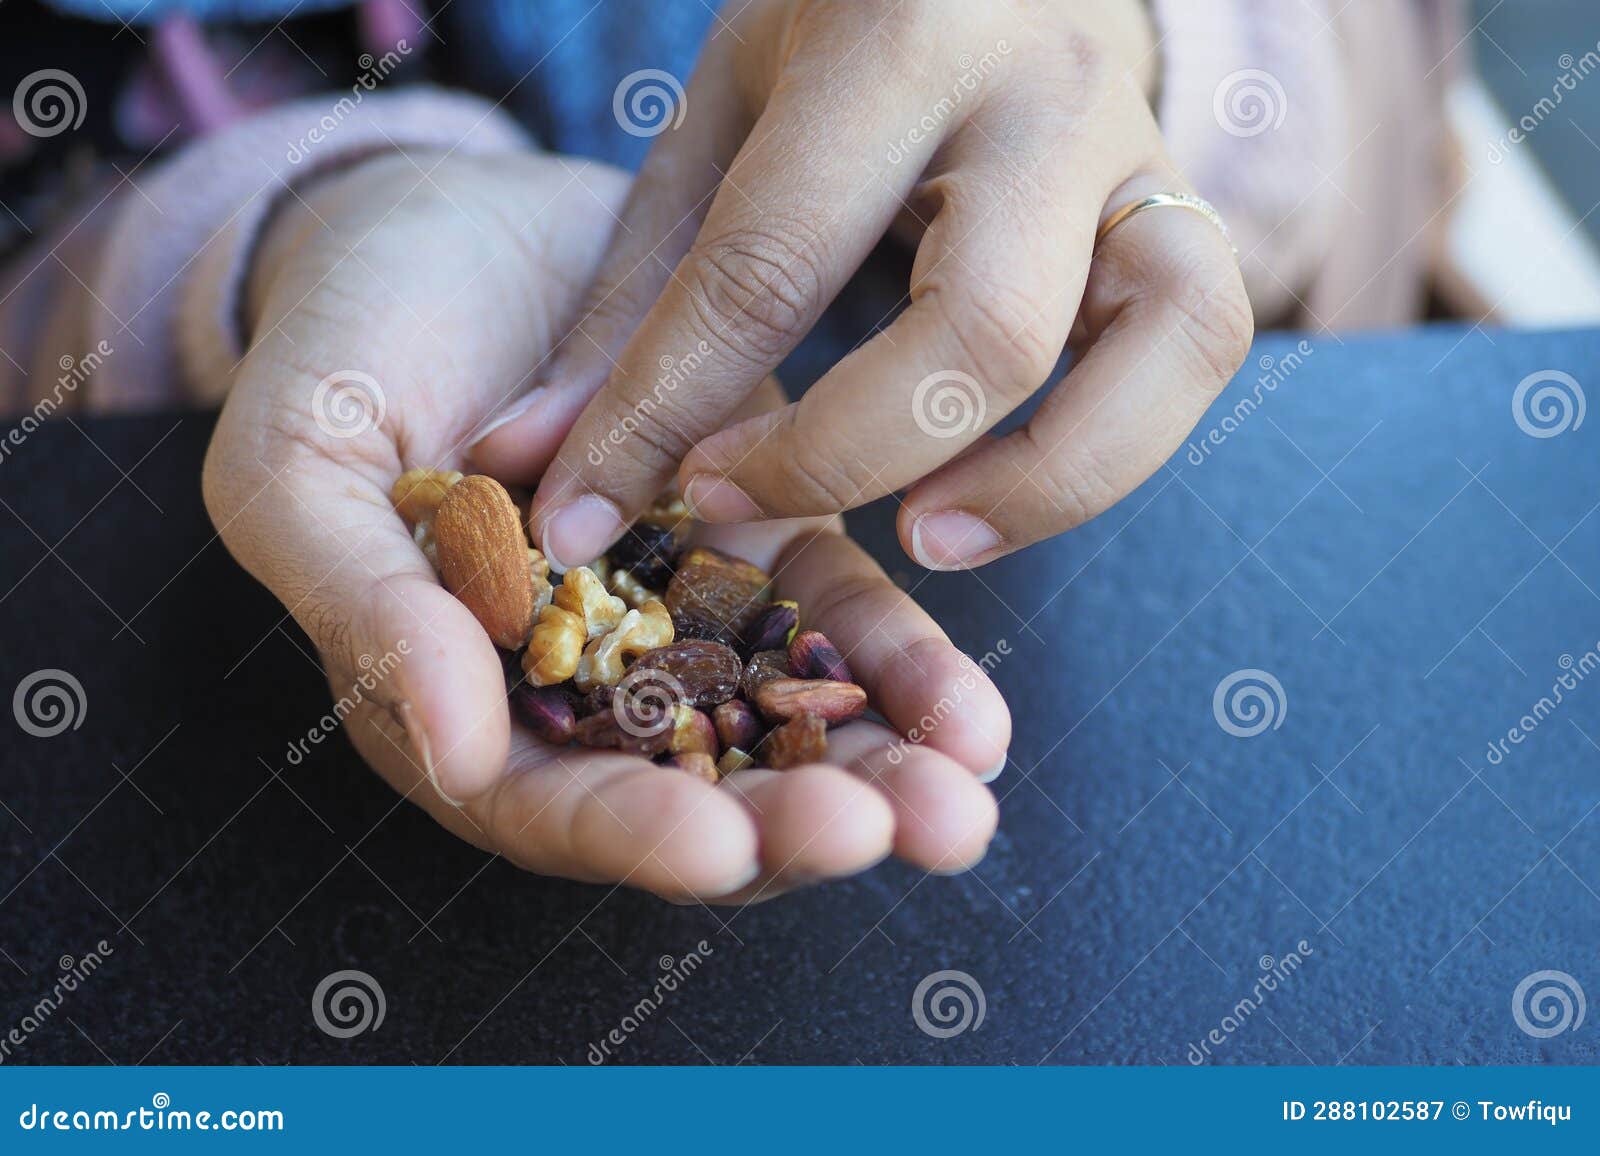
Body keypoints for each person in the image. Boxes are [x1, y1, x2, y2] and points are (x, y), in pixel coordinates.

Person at [0, 0, 1459, 901]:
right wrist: (298, 224)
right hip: (167, 676)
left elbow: (1380, 56)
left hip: (1078, 592)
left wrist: (1125, 47)